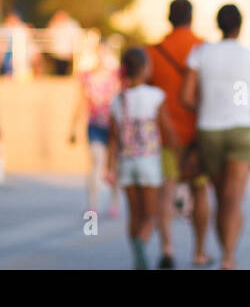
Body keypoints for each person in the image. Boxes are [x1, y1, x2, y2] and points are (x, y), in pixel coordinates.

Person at [180, 4, 250, 270]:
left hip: (209, 131)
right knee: (232, 199)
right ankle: (228, 258)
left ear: (218, 25)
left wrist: (207, 107)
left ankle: (217, 252)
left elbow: (185, 97)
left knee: (220, 196)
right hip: (241, 130)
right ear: (239, 26)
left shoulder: (201, 53)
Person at [146, 0, 210, 268]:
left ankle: (168, 248)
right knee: (200, 190)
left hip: (165, 134)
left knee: (166, 192)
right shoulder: (204, 48)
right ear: (191, 17)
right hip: (197, 135)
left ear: (168, 18)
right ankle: (199, 252)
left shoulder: (153, 52)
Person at [107, 46, 177, 269]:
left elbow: (113, 138)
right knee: (151, 215)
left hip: (126, 163)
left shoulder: (117, 100)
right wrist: (180, 150)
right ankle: (140, 244)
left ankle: (137, 256)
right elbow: (167, 128)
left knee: (135, 215)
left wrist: (110, 167)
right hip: (148, 162)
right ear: (145, 69)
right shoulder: (155, 96)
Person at [69, 35, 123, 219]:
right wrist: (73, 126)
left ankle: (114, 201)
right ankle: (93, 204)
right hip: (94, 124)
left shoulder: (117, 76)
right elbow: (80, 102)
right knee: (96, 161)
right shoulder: (87, 76)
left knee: (113, 164)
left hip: (113, 125)